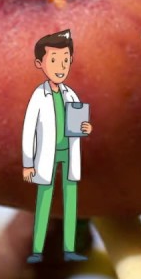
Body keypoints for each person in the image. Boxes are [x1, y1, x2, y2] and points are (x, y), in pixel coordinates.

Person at [22, 28, 93, 263]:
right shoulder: (38, 96)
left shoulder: (72, 94)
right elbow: (30, 127)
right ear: (40, 63)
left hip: (68, 157)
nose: (60, 66)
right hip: (47, 158)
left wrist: (85, 129)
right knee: (45, 204)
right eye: (54, 60)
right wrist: (28, 162)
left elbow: (77, 122)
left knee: (71, 204)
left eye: (64, 60)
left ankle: (70, 248)